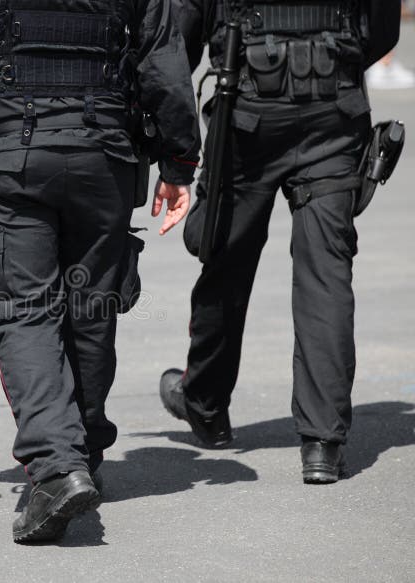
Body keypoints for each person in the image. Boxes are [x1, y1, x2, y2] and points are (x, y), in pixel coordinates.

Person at [0, 0, 200, 542]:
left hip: (12, 154)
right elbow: (164, 58)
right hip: (104, 154)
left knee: (24, 311)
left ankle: (58, 469)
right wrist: (179, 162)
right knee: (91, 309)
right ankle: (80, 451)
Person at [160, 0, 400, 484]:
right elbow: (384, 28)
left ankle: (205, 404)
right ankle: (322, 442)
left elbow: (181, 33)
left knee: (227, 261)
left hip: (249, 109)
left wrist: (168, 135)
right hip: (334, 108)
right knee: (325, 274)